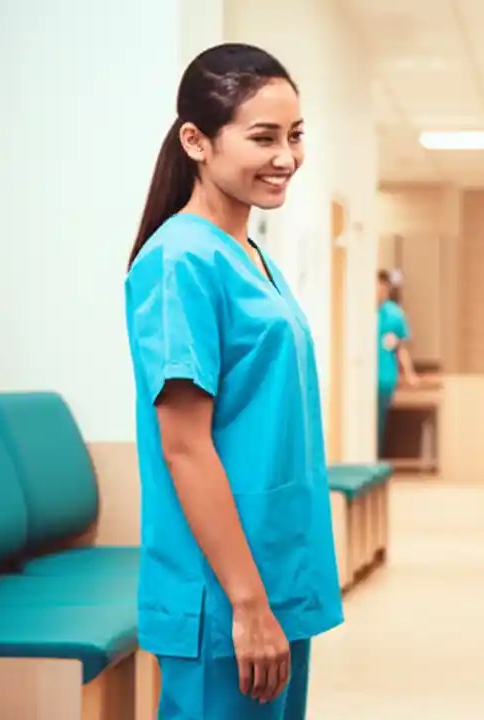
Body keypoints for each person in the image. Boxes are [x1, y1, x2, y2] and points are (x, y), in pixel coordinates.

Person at [124, 43, 343, 719]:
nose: (286, 157)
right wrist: (247, 606)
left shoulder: (251, 254)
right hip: (224, 590)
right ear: (196, 140)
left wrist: (266, 597)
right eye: (263, 137)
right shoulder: (177, 262)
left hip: (276, 567)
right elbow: (184, 445)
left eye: (296, 135)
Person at [376, 268, 418, 450]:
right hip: (359, 380)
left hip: (384, 378)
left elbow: (402, 348)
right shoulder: (357, 312)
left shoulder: (394, 314)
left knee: (377, 425)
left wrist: (409, 374)